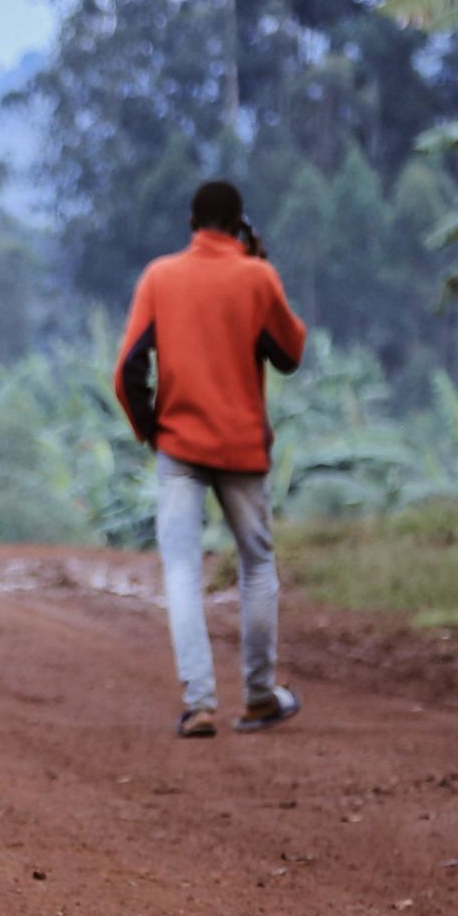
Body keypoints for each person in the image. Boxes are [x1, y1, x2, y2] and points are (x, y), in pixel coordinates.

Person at [113, 178, 307, 737]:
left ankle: (199, 702)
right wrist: (261, 266)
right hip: (244, 447)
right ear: (239, 223)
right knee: (257, 565)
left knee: (180, 567)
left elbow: (128, 370)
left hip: (180, 445)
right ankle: (258, 695)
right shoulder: (257, 277)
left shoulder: (161, 276)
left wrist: (152, 430)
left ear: (193, 223)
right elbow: (290, 353)